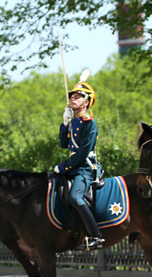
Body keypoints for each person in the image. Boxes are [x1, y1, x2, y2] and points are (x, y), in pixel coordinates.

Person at [53, 81, 104, 250]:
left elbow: (83, 153)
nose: (73, 99)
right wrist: (65, 124)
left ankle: (96, 236)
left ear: (86, 102)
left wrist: (64, 166)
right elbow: (63, 144)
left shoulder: (90, 124)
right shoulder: (74, 122)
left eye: (78, 97)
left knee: (75, 196)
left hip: (84, 169)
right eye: (72, 97)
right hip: (74, 168)